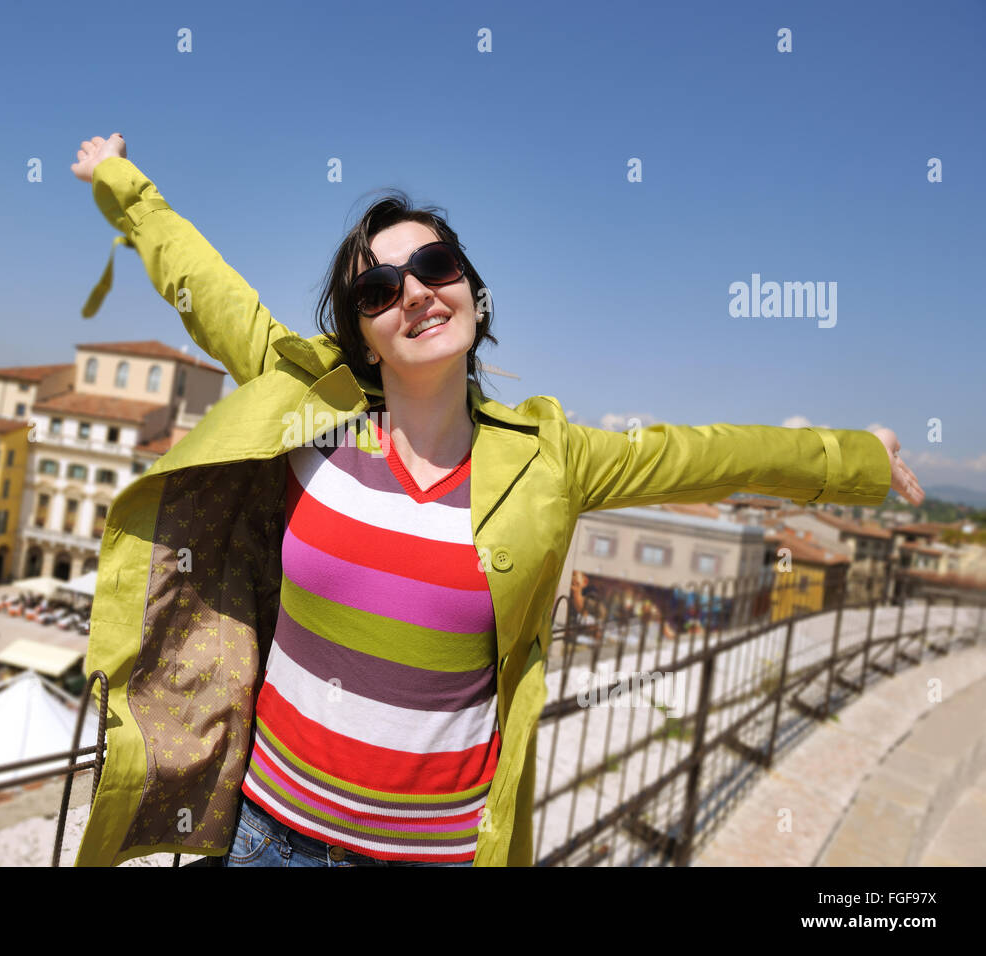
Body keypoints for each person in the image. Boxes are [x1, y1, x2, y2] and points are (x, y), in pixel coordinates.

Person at [67, 133, 926, 868]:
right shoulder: (312, 414)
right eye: (379, 290)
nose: (412, 292)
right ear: (363, 335)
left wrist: (856, 457)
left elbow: (706, 455)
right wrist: (119, 181)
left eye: (434, 266)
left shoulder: (548, 459)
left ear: (471, 288)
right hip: (272, 837)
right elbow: (208, 290)